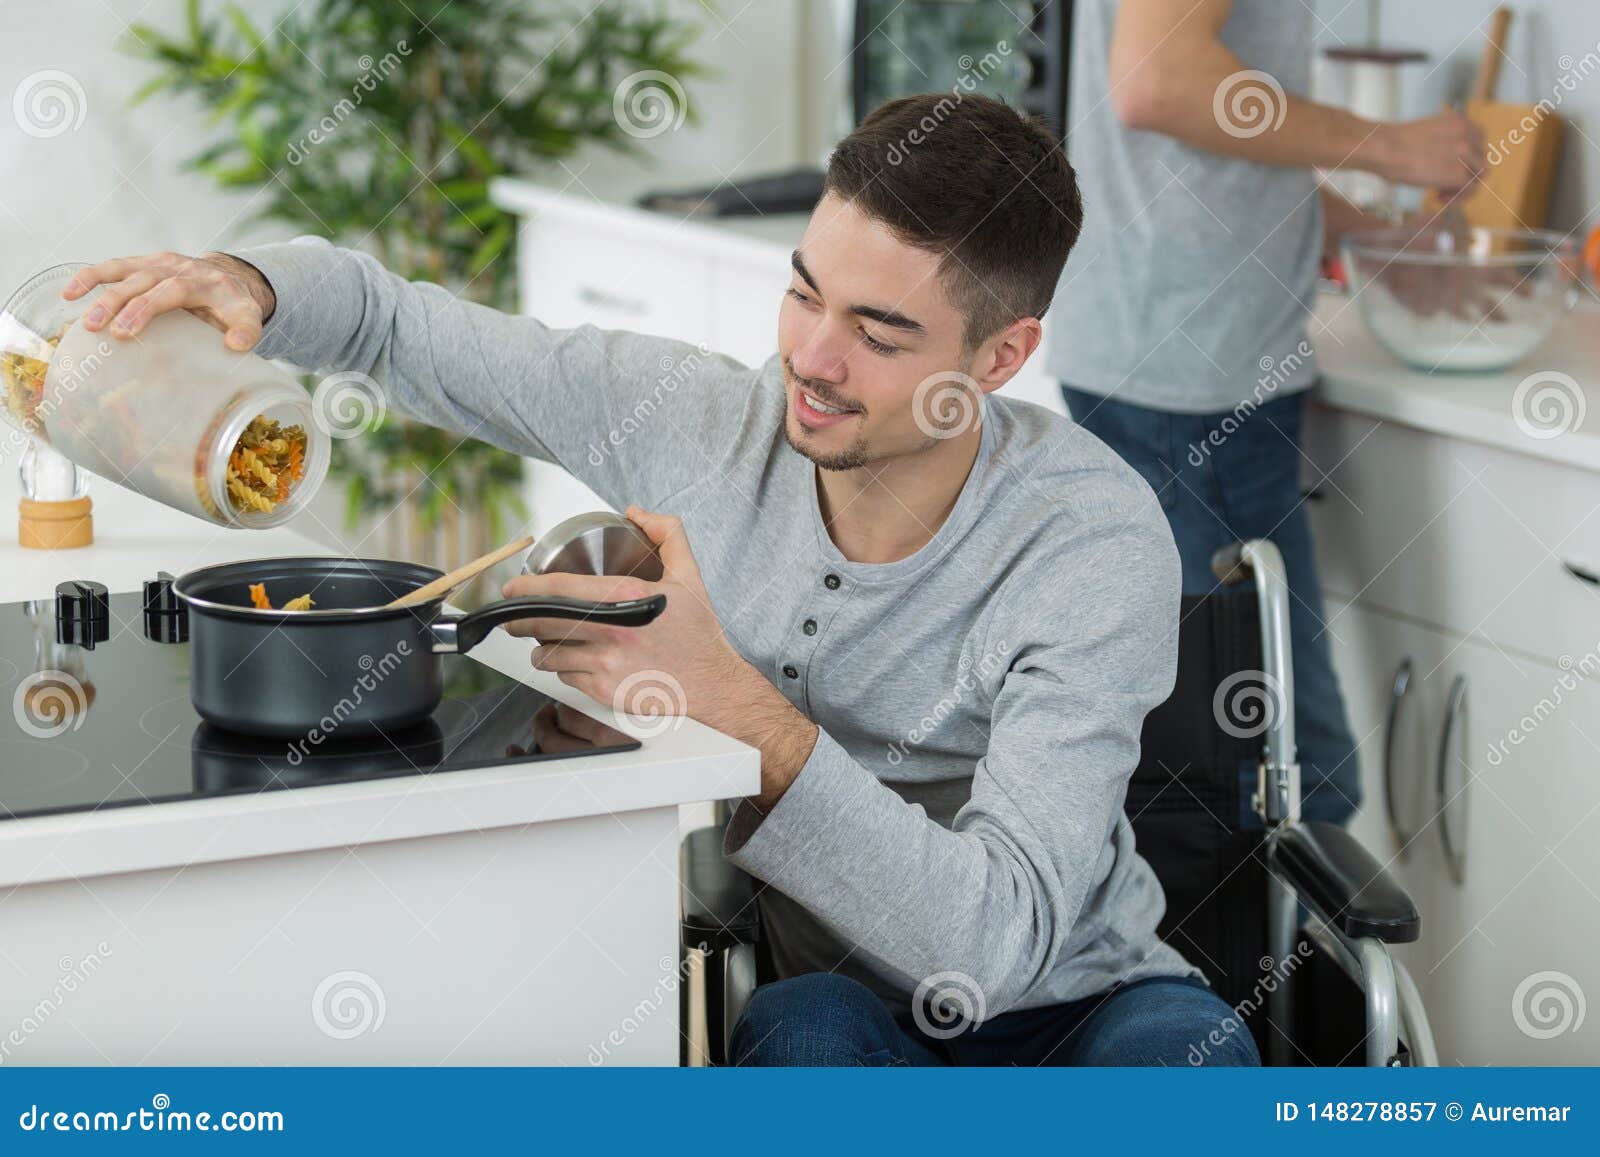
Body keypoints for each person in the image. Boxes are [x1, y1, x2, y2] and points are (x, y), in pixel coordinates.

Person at [64, 94, 1256, 1067]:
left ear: (999, 357)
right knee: (802, 1045)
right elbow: (396, 330)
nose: (811, 358)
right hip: (831, 1000)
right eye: (803, 291)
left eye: (880, 333)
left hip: (1082, 1003)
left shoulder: (1087, 538)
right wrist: (250, 285)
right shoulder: (696, 420)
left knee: (1187, 1073)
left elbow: (993, 945)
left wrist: (732, 703)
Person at [1051, 0, 1487, 825]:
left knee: (1205, 755)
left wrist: (1365, 236)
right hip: (1196, 383)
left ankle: (1193, 952)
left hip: (1168, 359)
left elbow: (1197, 155)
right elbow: (1160, 84)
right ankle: (1248, 961)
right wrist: (1391, 145)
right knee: (1288, 778)